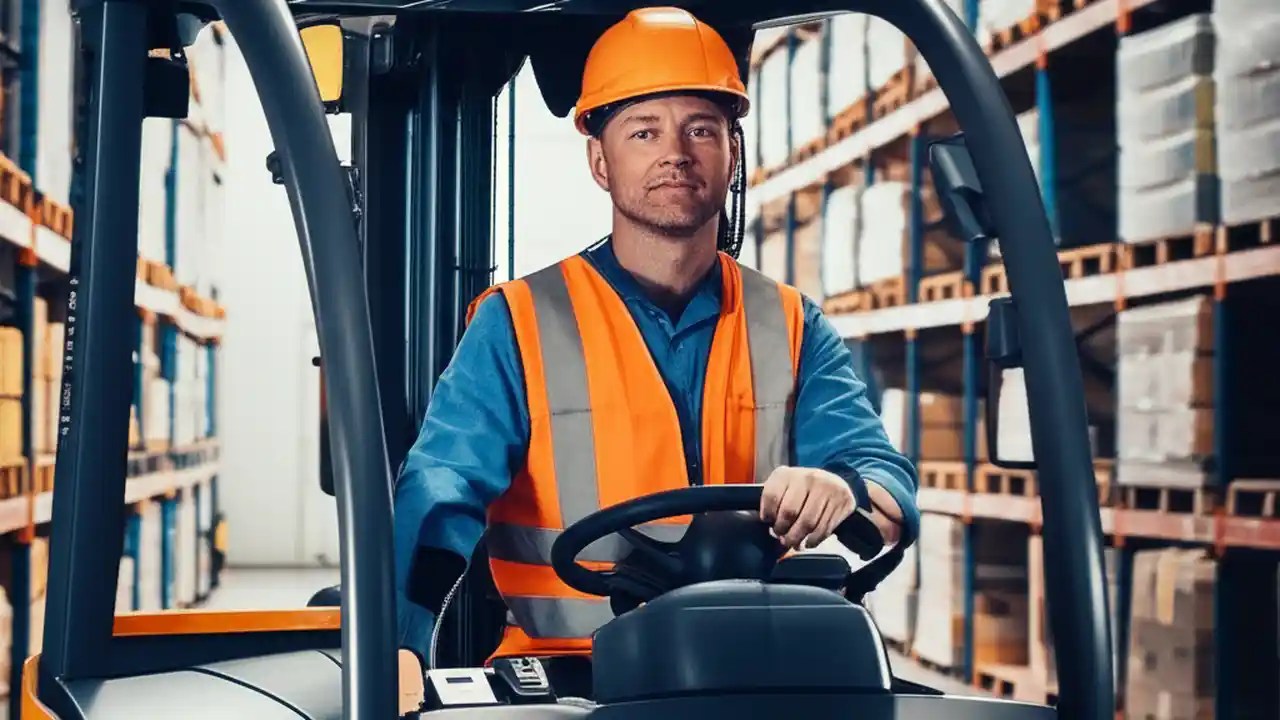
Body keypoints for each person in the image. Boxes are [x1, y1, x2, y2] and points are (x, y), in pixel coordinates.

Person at [393, 5, 919, 704]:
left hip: (755, 662)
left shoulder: (791, 322)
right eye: (645, 131)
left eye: (701, 129)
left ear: (732, 151)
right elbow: (440, 497)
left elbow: (886, 484)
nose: (676, 151)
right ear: (600, 160)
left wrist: (844, 489)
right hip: (573, 677)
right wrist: (399, 645)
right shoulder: (517, 324)